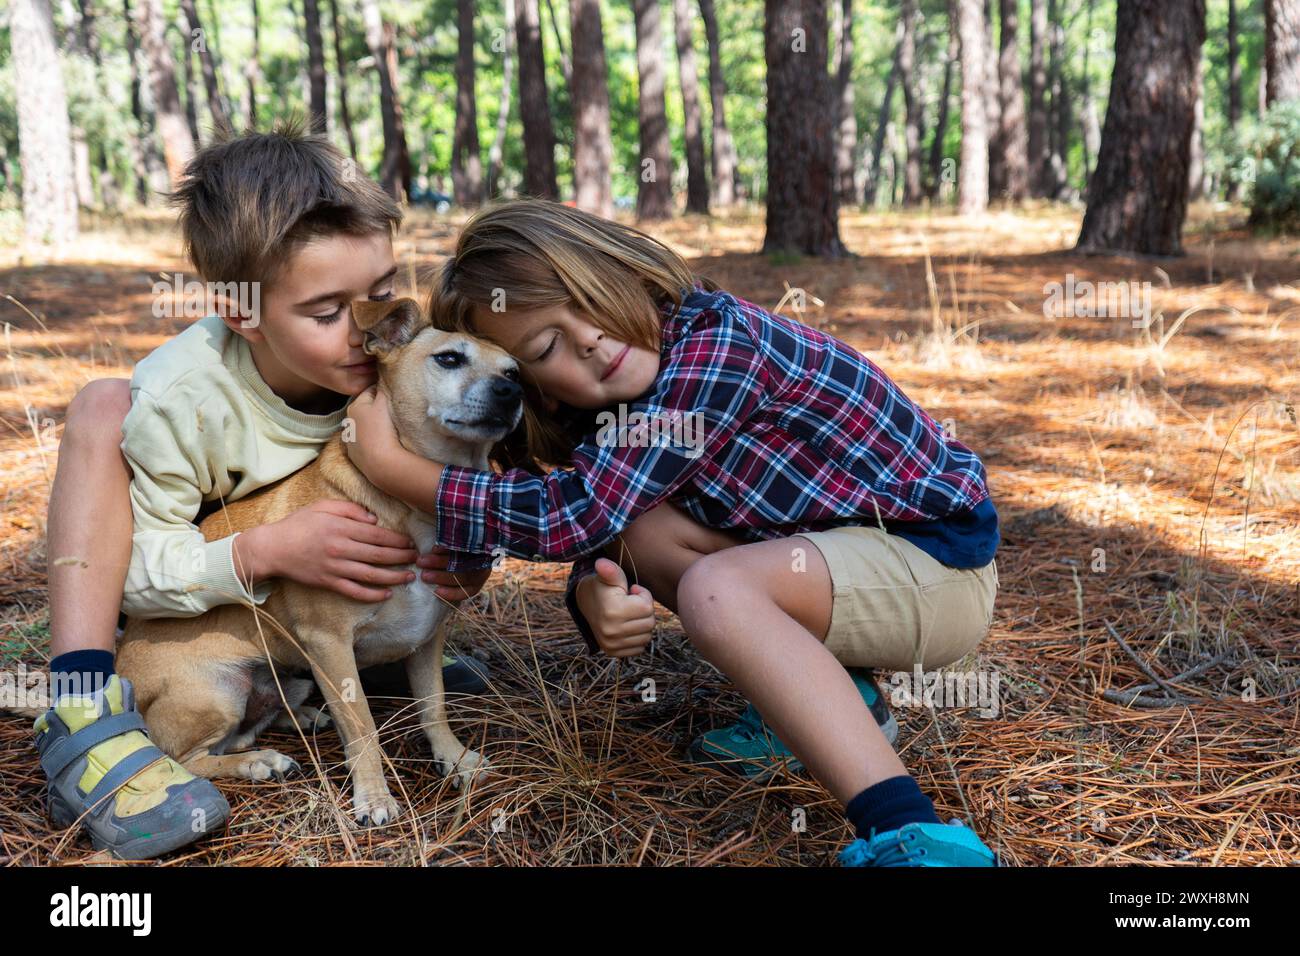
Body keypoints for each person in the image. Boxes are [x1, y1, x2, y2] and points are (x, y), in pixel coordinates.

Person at [343, 198, 1001, 867]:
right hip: (838, 566)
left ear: (627, 272)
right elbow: (605, 515)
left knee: (718, 590)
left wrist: (396, 470)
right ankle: (839, 704)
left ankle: (913, 836)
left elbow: (567, 514)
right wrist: (590, 590)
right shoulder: (611, 406)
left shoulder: (718, 348)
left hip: (934, 568)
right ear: (538, 389)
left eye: (592, 300)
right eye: (546, 348)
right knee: (644, 528)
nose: (591, 339)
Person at [35, 117, 492, 860]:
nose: (367, 326)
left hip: (308, 612)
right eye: (325, 312)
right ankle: (85, 711)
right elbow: (140, 576)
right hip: (188, 599)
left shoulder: (400, 368)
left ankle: (360, 662)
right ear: (243, 312)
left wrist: (468, 552)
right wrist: (265, 551)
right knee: (100, 404)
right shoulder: (187, 397)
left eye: (381, 291)